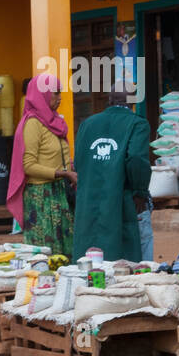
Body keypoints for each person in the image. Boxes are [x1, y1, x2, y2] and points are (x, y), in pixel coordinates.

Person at [73, 91, 152, 262]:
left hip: (88, 199)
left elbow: (78, 161)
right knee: (123, 252)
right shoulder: (137, 124)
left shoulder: (87, 124)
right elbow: (137, 159)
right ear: (133, 102)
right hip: (121, 198)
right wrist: (140, 191)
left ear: (109, 100)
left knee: (87, 250)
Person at [6, 73, 75, 256]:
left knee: (65, 251)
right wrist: (63, 174)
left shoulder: (55, 122)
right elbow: (28, 165)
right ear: (41, 95)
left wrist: (70, 170)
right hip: (41, 198)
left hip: (60, 193)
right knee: (46, 253)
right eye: (55, 93)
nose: (60, 98)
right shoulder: (32, 124)